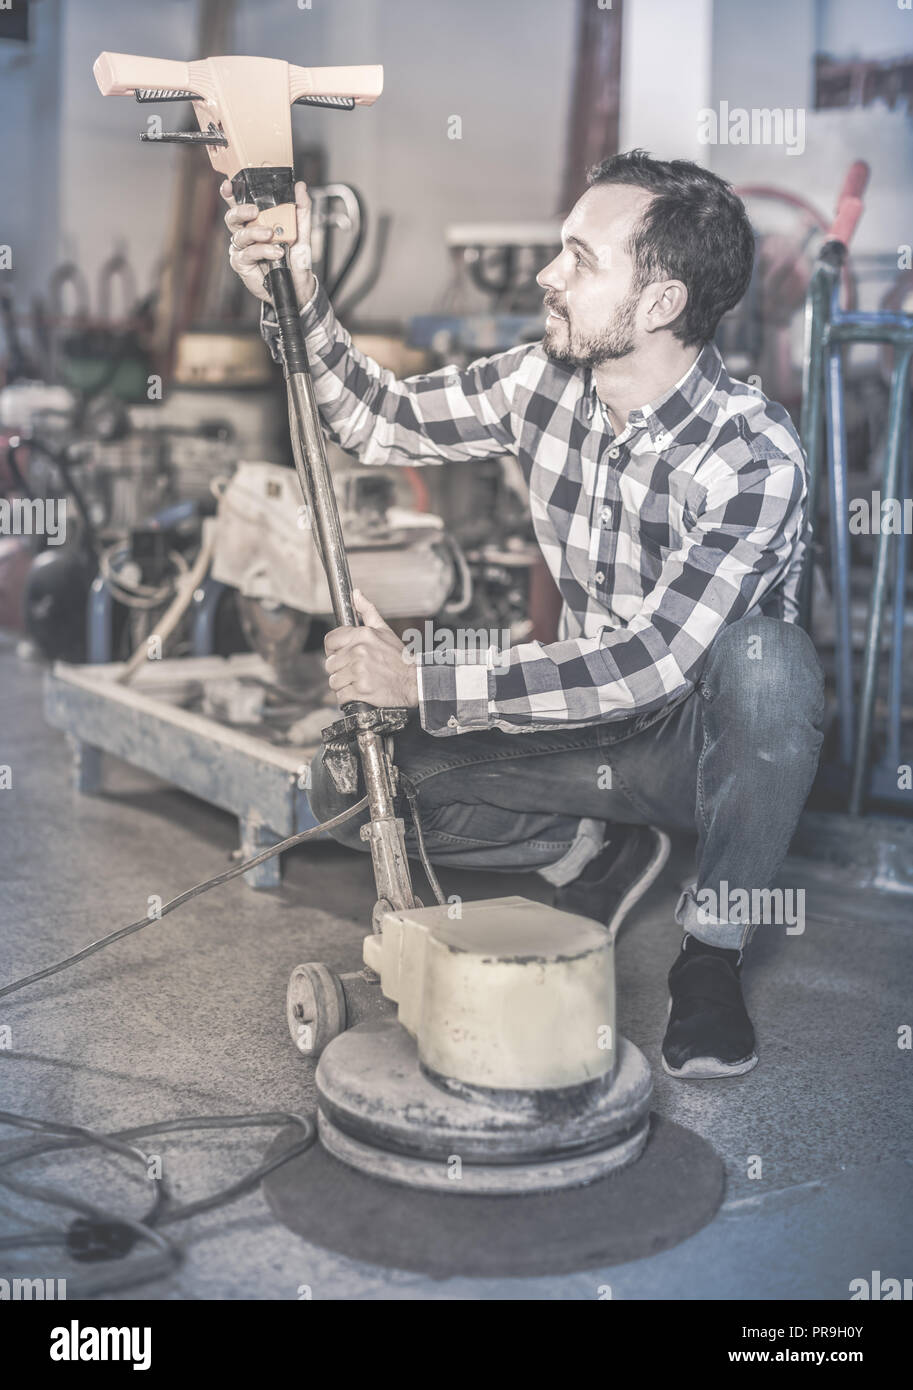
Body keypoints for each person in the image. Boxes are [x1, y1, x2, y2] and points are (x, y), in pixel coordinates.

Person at [222, 149, 825, 1079]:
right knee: (345, 784)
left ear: (660, 303)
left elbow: (652, 663)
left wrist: (419, 681)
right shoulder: (541, 380)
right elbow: (376, 420)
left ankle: (710, 951)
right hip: (585, 734)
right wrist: (297, 293)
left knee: (769, 664)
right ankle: (594, 848)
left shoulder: (755, 455)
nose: (548, 275)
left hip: (697, 745)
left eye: (580, 259)